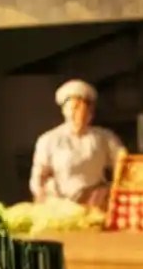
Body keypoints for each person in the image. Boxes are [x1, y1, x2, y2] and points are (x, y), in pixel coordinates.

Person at [29, 79, 125, 207]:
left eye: (84, 110)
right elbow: (38, 178)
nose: (79, 114)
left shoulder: (105, 138)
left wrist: (110, 190)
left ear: (91, 113)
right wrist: (43, 200)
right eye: (74, 109)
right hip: (60, 205)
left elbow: (123, 165)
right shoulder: (48, 140)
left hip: (96, 203)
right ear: (64, 111)